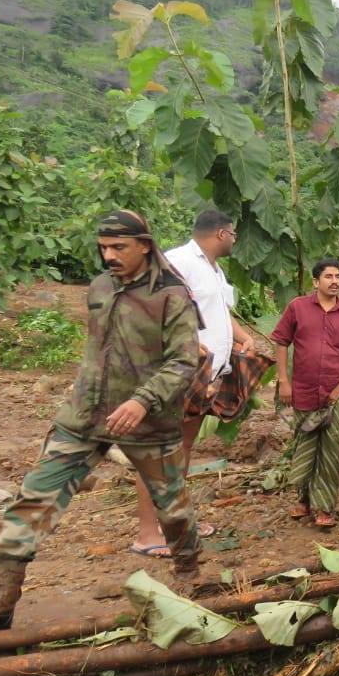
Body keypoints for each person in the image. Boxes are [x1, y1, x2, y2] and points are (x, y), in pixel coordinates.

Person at [0, 210, 202, 631]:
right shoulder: (99, 288)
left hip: (147, 423)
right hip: (83, 417)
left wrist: (141, 401)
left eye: (119, 248)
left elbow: (184, 361)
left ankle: (189, 576)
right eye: (103, 248)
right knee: (32, 500)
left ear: (145, 246)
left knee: (173, 510)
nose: (109, 256)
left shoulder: (172, 296)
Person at [130, 209, 258, 556]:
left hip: (205, 375)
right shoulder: (178, 262)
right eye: (233, 234)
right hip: (176, 373)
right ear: (221, 234)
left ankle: (175, 521)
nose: (234, 240)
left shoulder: (212, 269)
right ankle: (147, 532)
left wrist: (241, 337)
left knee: (182, 449)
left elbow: (217, 313)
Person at [272, 258, 339, 529]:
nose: (335, 281)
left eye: (338, 276)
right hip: (302, 389)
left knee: (330, 450)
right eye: (329, 276)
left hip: (335, 393)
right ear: (316, 282)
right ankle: (303, 500)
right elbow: (281, 342)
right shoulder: (297, 308)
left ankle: (325, 507)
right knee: (305, 442)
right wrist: (284, 381)